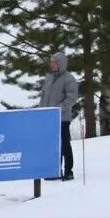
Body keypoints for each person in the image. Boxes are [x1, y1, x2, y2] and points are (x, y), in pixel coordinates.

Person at [38, 51, 80, 181]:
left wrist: (58, 110)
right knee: (51, 145)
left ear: (61, 64)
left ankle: (68, 171)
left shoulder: (68, 78)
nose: (52, 65)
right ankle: (54, 171)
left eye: (54, 62)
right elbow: (43, 96)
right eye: (51, 62)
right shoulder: (49, 78)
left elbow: (72, 98)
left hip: (62, 118)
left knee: (64, 144)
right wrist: (42, 110)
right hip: (48, 118)